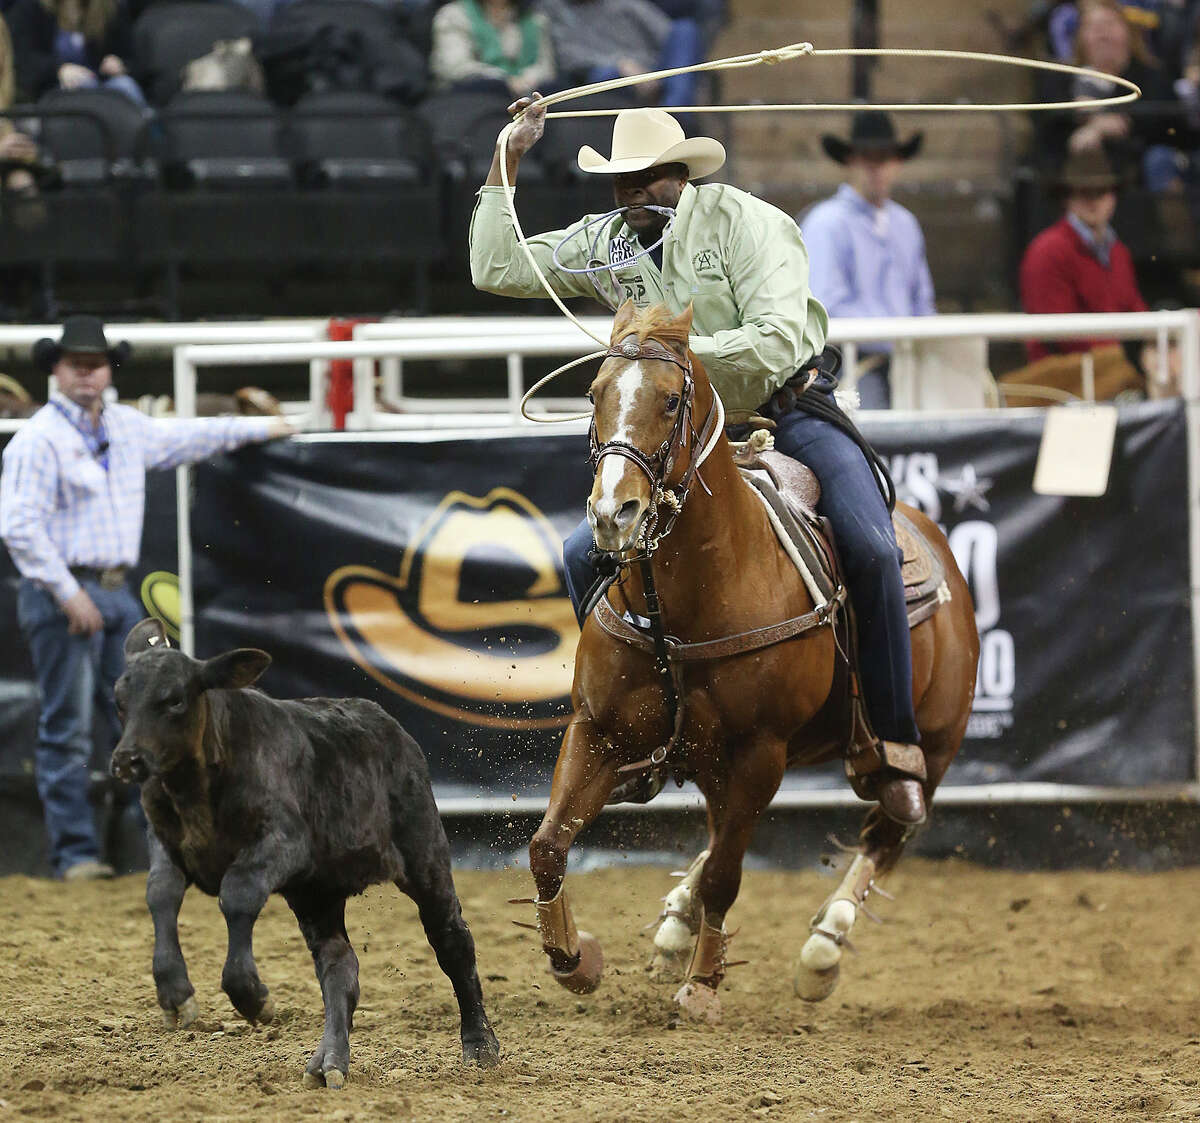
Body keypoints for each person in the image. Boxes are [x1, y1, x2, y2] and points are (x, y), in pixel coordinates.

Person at [469, 101, 927, 825]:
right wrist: (507, 160)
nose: (632, 192)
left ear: (682, 175)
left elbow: (778, 339)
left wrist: (669, 360)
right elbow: (497, 266)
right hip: (677, 439)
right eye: (622, 180)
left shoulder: (748, 223)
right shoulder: (608, 242)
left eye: (647, 177)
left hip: (786, 411)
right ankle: (632, 726)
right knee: (584, 555)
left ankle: (893, 740)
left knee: (871, 545)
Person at [0, 316, 294, 879]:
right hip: (67, 592)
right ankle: (76, 854)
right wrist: (67, 592)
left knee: (143, 722)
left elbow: (191, 437)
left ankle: (151, 847)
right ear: (57, 370)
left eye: (95, 364)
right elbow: (19, 528)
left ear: (107, 371)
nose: (87, 373)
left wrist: (261, 428)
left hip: (112, 591)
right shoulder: (38, 439)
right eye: (77, 364)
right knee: (69, 727)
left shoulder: (125, 427)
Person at [799, 111, 937, 410]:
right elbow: (826, 306)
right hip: (850, 364)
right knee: (871, 414)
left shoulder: (905, 223)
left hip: (908, 361)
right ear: (851, 161)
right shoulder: (826, 223)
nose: (877, 168)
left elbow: (922, 302)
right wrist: (900, 337)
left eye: (885, 157)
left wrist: (921, 343)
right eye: (868, 158)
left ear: (897, 162)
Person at [1033, 0, 1192, 193]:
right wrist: (1084, 122)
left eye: (1109, 24)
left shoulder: (1154, 78)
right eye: (1092, 26)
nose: (1102, 32)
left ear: (1129, 33)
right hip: (1071, 180)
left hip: (1137, 180)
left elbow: (1173, 128)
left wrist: (1115, 125)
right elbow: (1046, 130)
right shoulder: (1061, 81)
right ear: (1080, 38)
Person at [1019, 148, 1148, 359]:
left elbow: (1135, 311)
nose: (1093, 201)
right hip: (1064, 370)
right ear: (1067, 198)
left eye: (1101, 192)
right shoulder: (1048, 250)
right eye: (1084, 192)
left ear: (1113, 197)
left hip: (1111, 364)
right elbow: (1059, 333)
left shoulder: (1118, 252)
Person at [538, 0, 703, 108]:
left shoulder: (625, 3)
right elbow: (569, 58)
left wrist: (649, 75)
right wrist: (621, 65)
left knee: (685, 29)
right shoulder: (554, 9)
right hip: (603, 74)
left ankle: (674, 111)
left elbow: (667, 34)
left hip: (650, 69)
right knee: (602, 74)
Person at [6, 0, 147, 106]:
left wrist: (120, 64)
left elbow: (134, 61)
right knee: (81, 88)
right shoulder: (30, 8)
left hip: (102, 84)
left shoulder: (111, 9)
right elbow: (24, 59)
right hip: (53, 88)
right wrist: (58, 69)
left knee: (126, 85)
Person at [429, 0, 557, 99]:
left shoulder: (535, 18)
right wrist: (506, 80)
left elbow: (546, 67)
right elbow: (455, 67)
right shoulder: (454, 15)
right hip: (472, 95)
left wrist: (528, 79)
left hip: (529, 93)